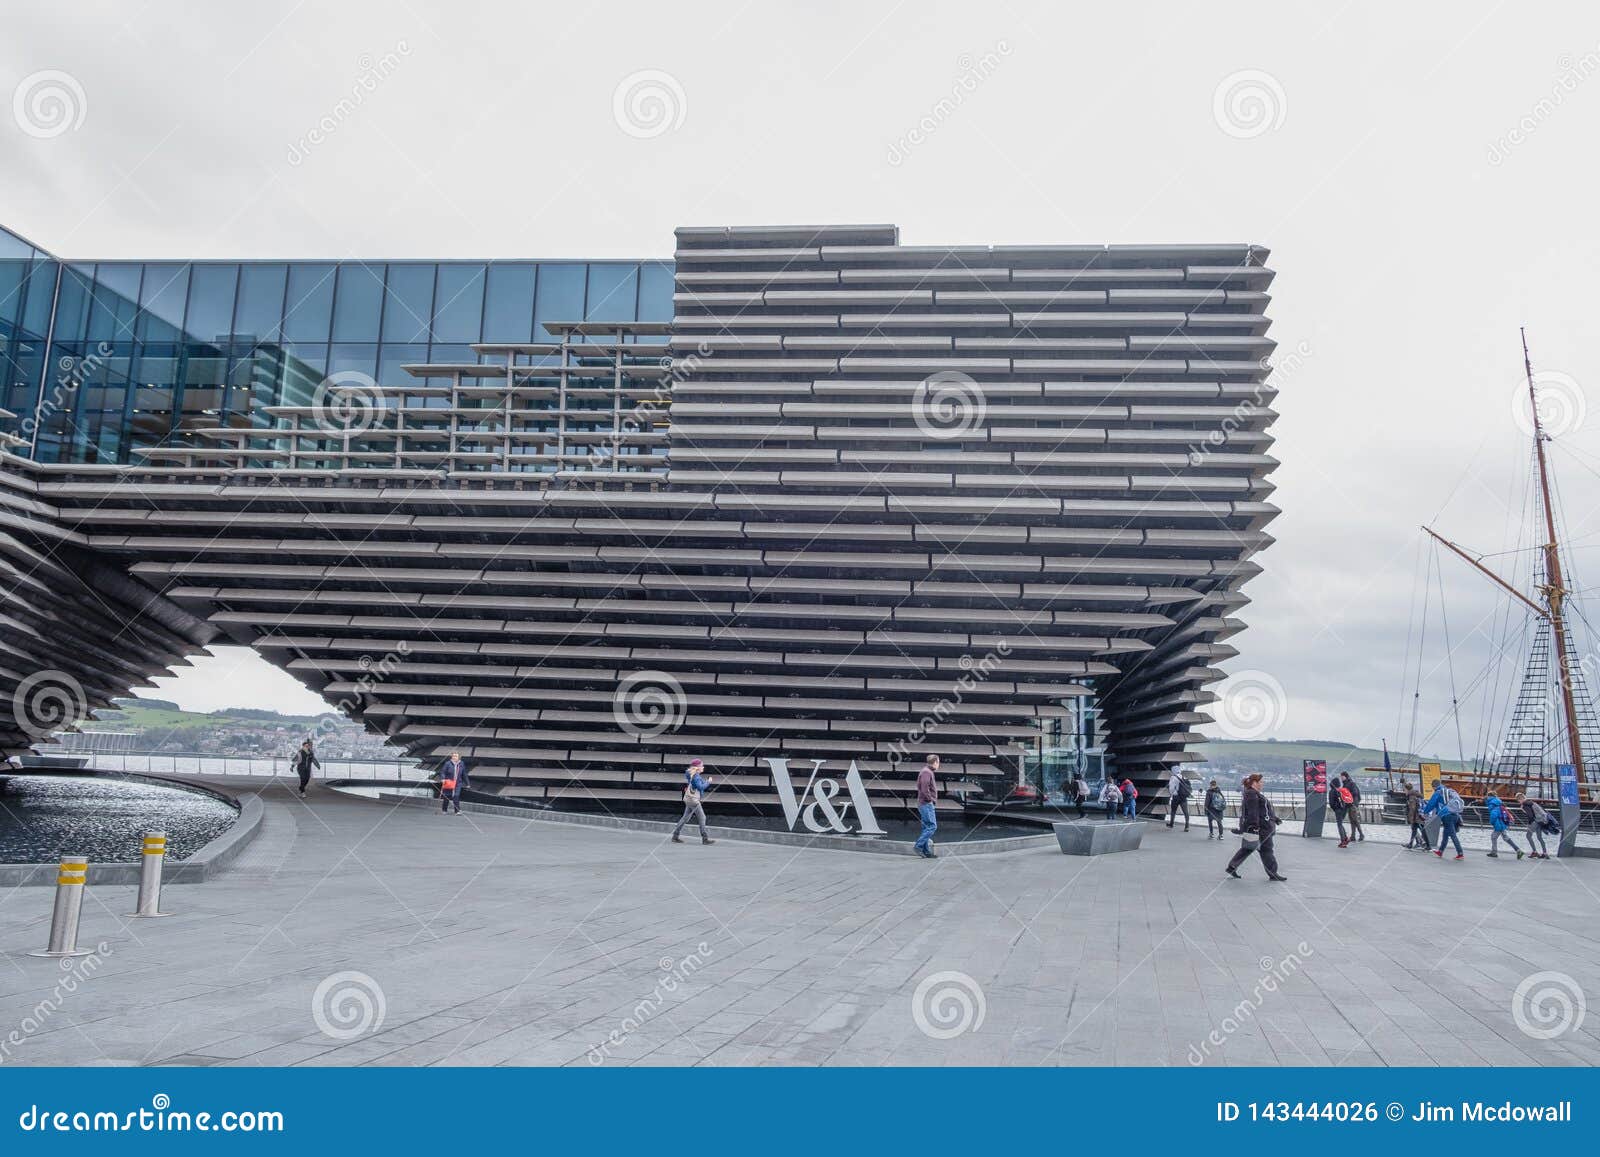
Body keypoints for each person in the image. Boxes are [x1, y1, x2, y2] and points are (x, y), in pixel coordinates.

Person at [1225, 774, 1287, 881]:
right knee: (1267, 850)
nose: (1262, 783)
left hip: (1261, 827)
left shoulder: (1253, 794)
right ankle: (1273, 873)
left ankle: (1232, 866)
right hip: (1262, 829)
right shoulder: (1252, 794)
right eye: (1261, 782)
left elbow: (1262, 811)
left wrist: (1274, 818)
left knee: (1248, 848)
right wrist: (1255, 827)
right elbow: (1253, 812)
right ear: (1255, 783)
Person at [671, 758, 716, 845]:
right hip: (694, 801)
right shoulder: (696, 776)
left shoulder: (691, 774)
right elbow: (701, 787)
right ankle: (705, 838)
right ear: (697, 767)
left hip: (689, 799)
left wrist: (705, 781)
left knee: (685, 818)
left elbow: (699, 783)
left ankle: (675, 836)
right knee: (702, 817)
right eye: (702, 765)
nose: (703, 767)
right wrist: (709, 782)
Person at [1421, 777, 1465, 859]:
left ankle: (1460, 853)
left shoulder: (1438, 792)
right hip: (1455, 814)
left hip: (1447, 815)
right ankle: (1440, 851)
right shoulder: (1450, 791)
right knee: (1445, 834)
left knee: (1452, 835)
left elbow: (1431, 804)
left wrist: (1425, 812)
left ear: (1433, 786)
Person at [1485, 791, 1524, 859]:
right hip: (1502, 823)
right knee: (1506, 838)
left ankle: (1494, 852)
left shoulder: (1493, 805)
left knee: (1493, 837)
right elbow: (1490, 805)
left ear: (1489, 797)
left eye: (1487, 796)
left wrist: (1491, 822)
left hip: (1498, 824)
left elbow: (1493, 815)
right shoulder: (1497, 802)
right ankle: (1518, 850)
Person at [914, 754, 940, 859]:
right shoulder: (926, 772)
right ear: (935, 762)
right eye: (939, 762)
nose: (939, 764)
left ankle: (926, 851)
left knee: (926, 827)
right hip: (926, 804)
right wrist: (931, 800)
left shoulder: (927, 771)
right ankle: (918, 846)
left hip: (924, 803)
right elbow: (925, 789)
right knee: (932, 826)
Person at [1519, 794, 1552, 859]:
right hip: (1540, 821)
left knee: (1528, 836)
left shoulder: (1525, 804)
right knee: (1539, 837)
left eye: (1518, 800)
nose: (1519, 802)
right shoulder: (1532, 802)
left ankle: (1535, 852)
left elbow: (1530, 816)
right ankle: (1545, 853)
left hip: (1534, 822)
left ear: (1521, 799)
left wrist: (1529, 824)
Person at [439, 750, 468, 815]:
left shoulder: (461, 764)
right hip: (449, 782)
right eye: (453, 756)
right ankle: (444, 810)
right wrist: (443, 779)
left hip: (458, 783)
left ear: (459, 757)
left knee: (456, 796)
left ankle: (457, 811)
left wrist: (467, 783)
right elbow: (443, 772)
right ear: (451, 757)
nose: (454, 757)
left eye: (456, 756)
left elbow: (464, 774)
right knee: (447, 796)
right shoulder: (447, 763)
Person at [1329, 772, 1353, 847]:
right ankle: (1345, 838)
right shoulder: (1341, 790)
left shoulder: (1332, 791)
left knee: (1339, 825)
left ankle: (1343, 840)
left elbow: (1332, 803)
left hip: (1338, 810)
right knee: (1340, 823)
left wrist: (1335, 809)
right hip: (1344, 809)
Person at [1340, 772, 1366, 842]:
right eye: (1341, 777)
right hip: (1348, 804)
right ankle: (1353, 836)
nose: (1341, 778)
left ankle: (1361, 834)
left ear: (1346, 776)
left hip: (1353, 804)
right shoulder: (1345, 785)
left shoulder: (1351, 783)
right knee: (1352, 820)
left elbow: (1355, 793)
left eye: (1342, 777)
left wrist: (1346, 794)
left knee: (1355, 820)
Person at [1403, 781, 1429, 849]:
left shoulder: (1411, 797)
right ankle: (1411, 844)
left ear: (1407, 789)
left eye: (1404, 790)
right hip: (1419, 816)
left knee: (1423, 831)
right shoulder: (1415, 794)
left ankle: (1428, 846)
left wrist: (1411, 819)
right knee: (1415, 831)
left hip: (1417, 817)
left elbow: (1412, 809)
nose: (1404, 791)